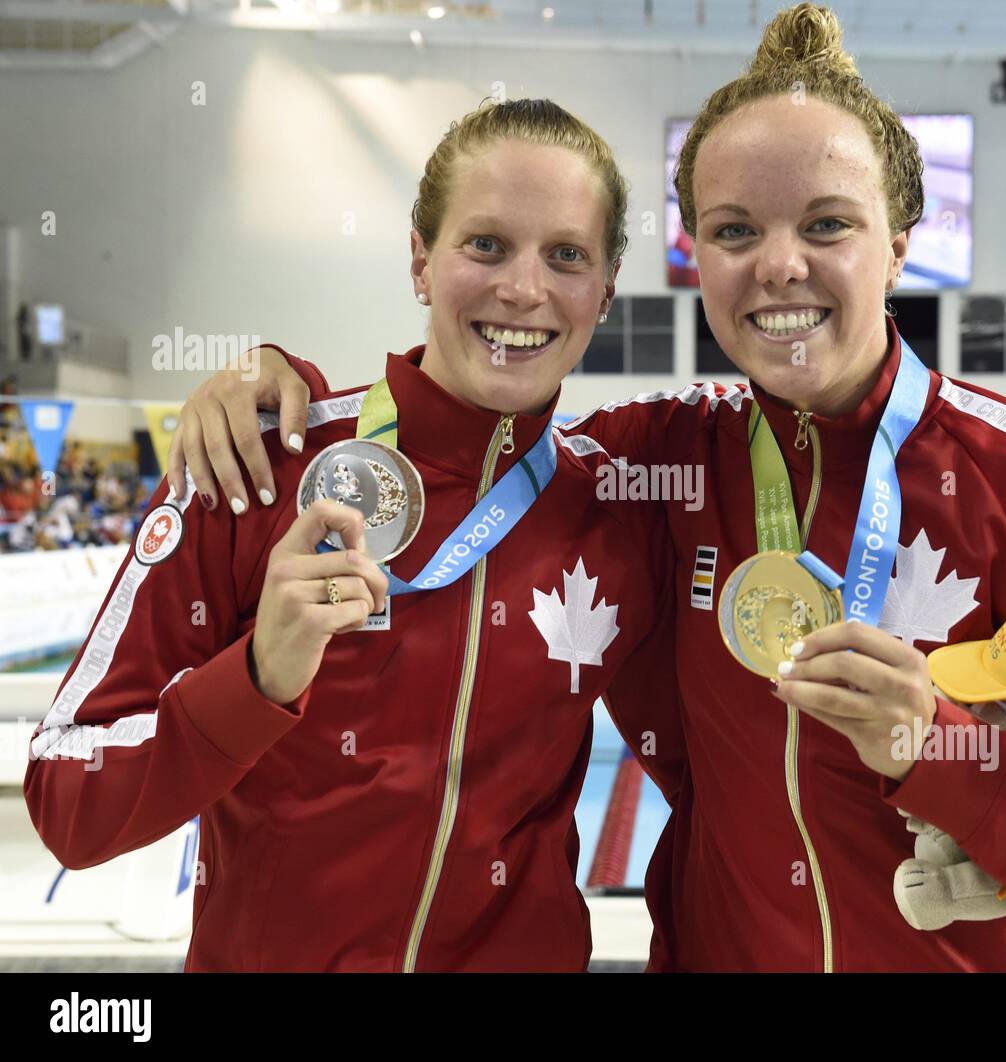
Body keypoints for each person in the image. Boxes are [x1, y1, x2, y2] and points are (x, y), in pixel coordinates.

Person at [169, 4, 1006, 971]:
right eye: (735, 231)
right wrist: (294, 400)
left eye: (826, 224)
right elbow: (467, 428)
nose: (778, 265)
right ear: (697, 255)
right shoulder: (651, 464)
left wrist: (945, 756)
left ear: (900, 246)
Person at [25, 98, 682, 972]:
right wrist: (254, 679)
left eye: (566, 255)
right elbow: (68, 802)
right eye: (485, 244)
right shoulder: (256, 470)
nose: (524, 288)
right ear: (420, 259)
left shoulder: (617, 505)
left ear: (603, 290)